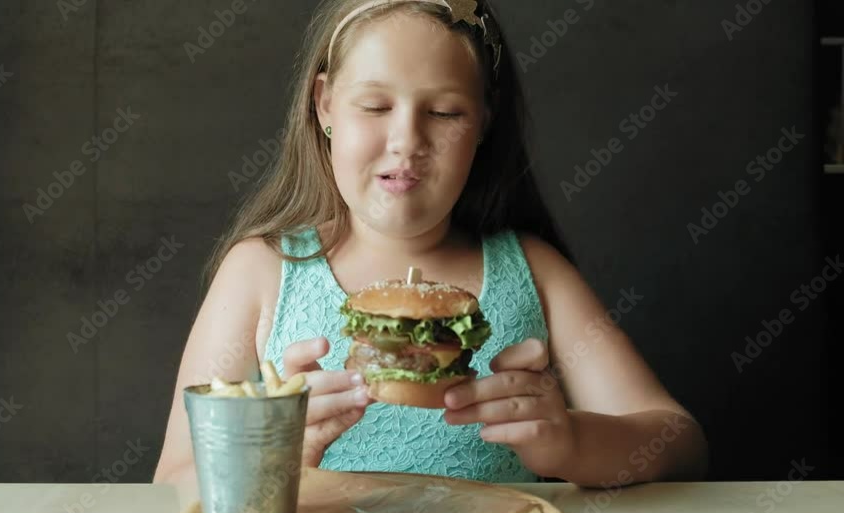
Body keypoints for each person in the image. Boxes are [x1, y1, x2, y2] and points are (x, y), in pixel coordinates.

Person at [154, 0, 708, 487]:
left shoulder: (532, 272)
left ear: (484, 123)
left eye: (444, 113)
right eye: (374, 106)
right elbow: (171, 482)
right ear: (324, 105)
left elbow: (678, 442)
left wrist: (571, 443)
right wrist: (272, 453)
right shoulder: (260, 271)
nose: (406, 141)